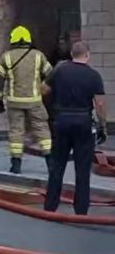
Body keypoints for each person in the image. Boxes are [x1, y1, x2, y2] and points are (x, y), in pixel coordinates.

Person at [44, 41, 107, 215]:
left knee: (57, 166)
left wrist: (53, 109)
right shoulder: (93, 75)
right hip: (83, 122)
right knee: (82, 169)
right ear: (87, 55)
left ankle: (50, 206)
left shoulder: (59, 71)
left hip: (62, 120)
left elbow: (43, 90)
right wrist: (102, 126)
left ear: (71, 54)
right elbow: (100, 104)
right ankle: (81, 210)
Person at [0, 25, 53, 174]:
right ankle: (51, 163)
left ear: (12, 40)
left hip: (14, 102)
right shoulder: (38, 56)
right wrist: (44, 88)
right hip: (34, 101)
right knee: (42, 129)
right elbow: (51, 75)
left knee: (16, 132)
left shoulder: (6, 57)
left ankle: (16, 165)